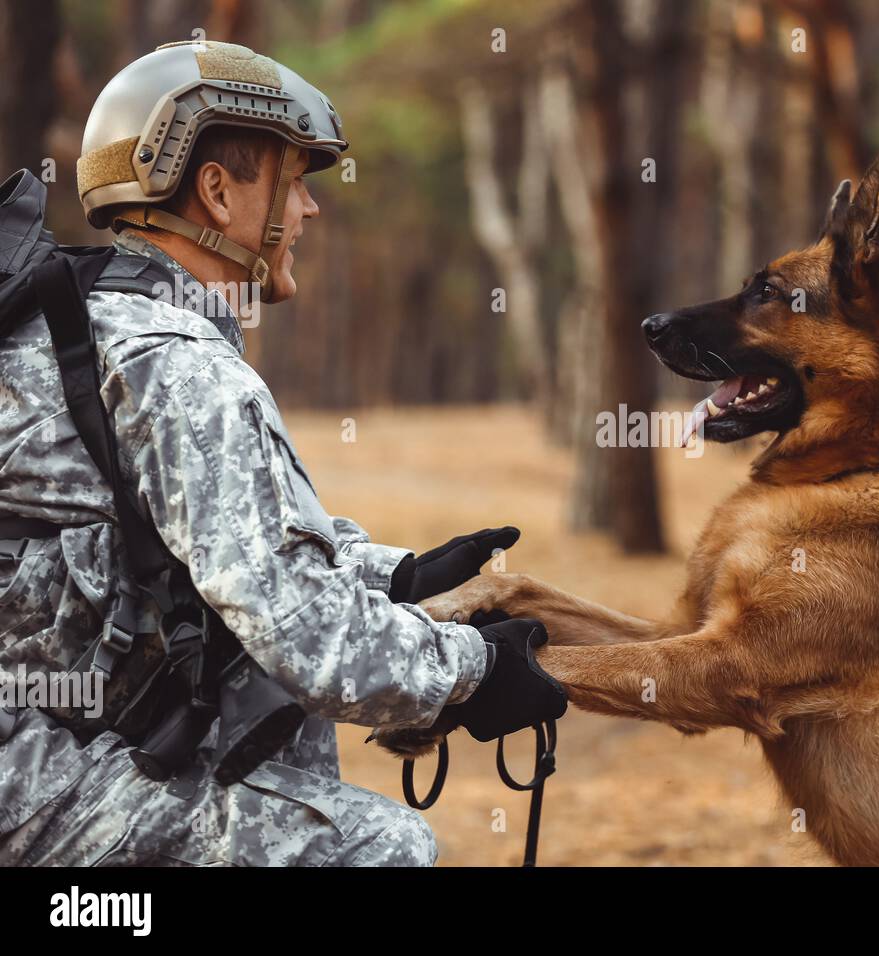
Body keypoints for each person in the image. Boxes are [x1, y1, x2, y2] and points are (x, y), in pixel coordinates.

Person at [0, 40, 559, 866]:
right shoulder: (171, 358)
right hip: (30, 777)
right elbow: (308, 635)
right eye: (293, 182)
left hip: (39, 746)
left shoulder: (93, 321)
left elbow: (198, 548)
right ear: (218, 193)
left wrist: (396, 576)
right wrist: (475, 671)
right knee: (373, 848)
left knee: (266, 731)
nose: (309, 210)